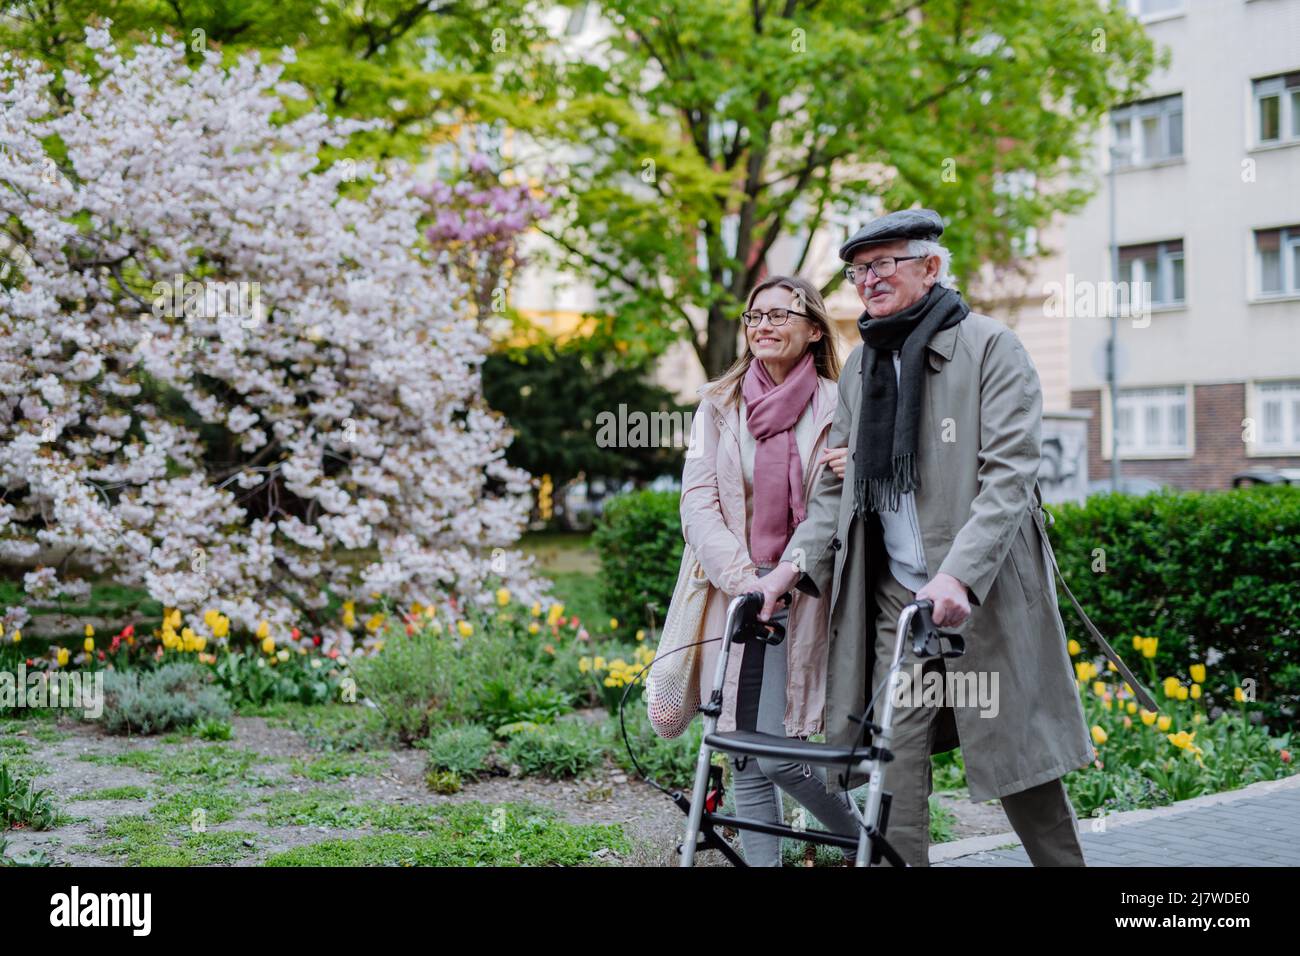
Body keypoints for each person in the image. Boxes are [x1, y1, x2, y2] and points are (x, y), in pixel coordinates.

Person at [756, 209, 1095, 867]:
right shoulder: (860, 369)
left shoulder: (992, 347)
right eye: (859, 270)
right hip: (896, 601)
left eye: (884, 264)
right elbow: (836, 492)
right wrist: (791, 566)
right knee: (892, 765)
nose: (868, 280)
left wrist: (959, 574)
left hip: (984, 597)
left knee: (1019, 765)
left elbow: (1009, 479)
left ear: (931, 266)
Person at [679, 274, 859, 866]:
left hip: (805, 590)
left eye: (781, 315)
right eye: (755, 316)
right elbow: (698, 502)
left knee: (779, 751)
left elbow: (840, 509)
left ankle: (868, 842)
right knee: (744, 754)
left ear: (813, 330)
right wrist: (746, 582)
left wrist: (781, 577)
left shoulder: (839, 404)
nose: (764, 326)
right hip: (737, 592)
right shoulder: (717, 405)